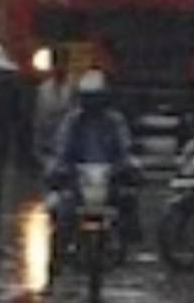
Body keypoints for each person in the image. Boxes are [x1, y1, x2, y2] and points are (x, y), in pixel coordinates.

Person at [45, 70, 140, 242]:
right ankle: (61, 249)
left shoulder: (114, 121)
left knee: (128, 199)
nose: (92, 103)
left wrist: (126, 166)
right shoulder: (72, 121)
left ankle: (125, 241)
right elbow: (62, 149)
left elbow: (124, 148)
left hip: (108, 179)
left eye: (95, 97)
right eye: (88, 98)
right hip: (78, 180)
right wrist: (59, 168)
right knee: (61, 208)